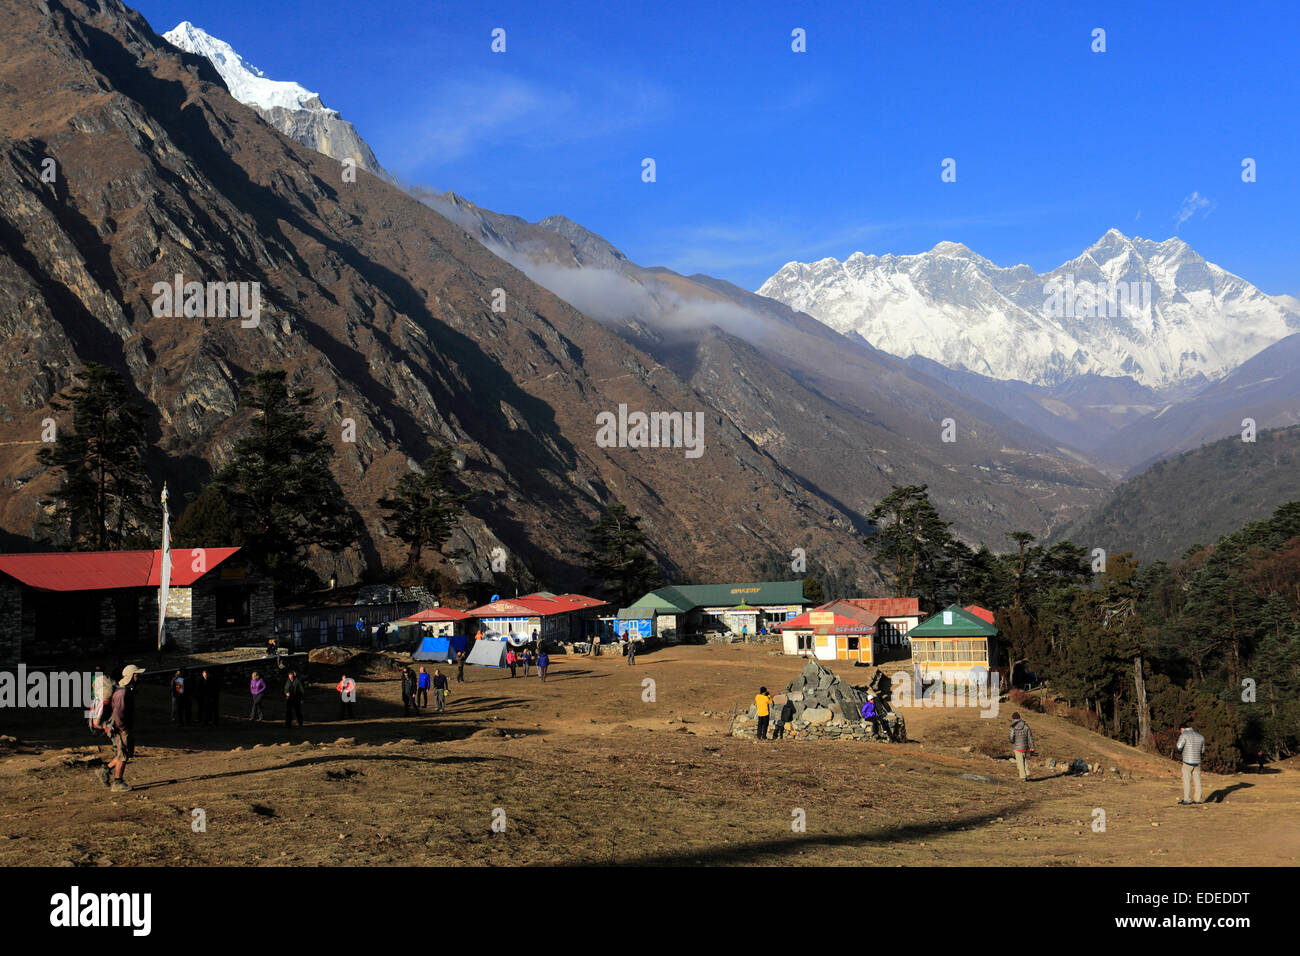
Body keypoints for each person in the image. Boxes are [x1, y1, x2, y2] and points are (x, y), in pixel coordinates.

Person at [102, 664, 144, 791]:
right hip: (119, 728)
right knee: (123, 756)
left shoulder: (125, 690)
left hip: (121, 727)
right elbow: (118, 713)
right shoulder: (122, 693)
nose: (138, 678)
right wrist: (123, 728)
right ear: (130, 676)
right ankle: (117, 782)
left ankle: (105, 770)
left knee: (126, 753)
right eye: (136, 675)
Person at [1176, 720, 1205, 804]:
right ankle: (1197, 799)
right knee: (1197, 780)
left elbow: (1178, 746)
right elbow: (1202, 751)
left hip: (1187, 761)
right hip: (1197, 762)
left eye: (1180, 731)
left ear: (1182, 729)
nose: (1180, 732)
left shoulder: (1184, 735)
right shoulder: (1200, 736)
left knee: (1186, 780)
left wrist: (1182, 750)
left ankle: (1187, 800)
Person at [1009, 712, 1034, 781]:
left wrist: (1012, 741)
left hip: (1017, 747)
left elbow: (1011, 736)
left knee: (1020, 762)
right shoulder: (1026, 725)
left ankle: (1023, 777)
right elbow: (1030, 737)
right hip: (1025, 746)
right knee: (1024, 760)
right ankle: (1028, 773)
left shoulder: (1013, 726)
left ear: (1013, 718)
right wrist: (1032, 747)